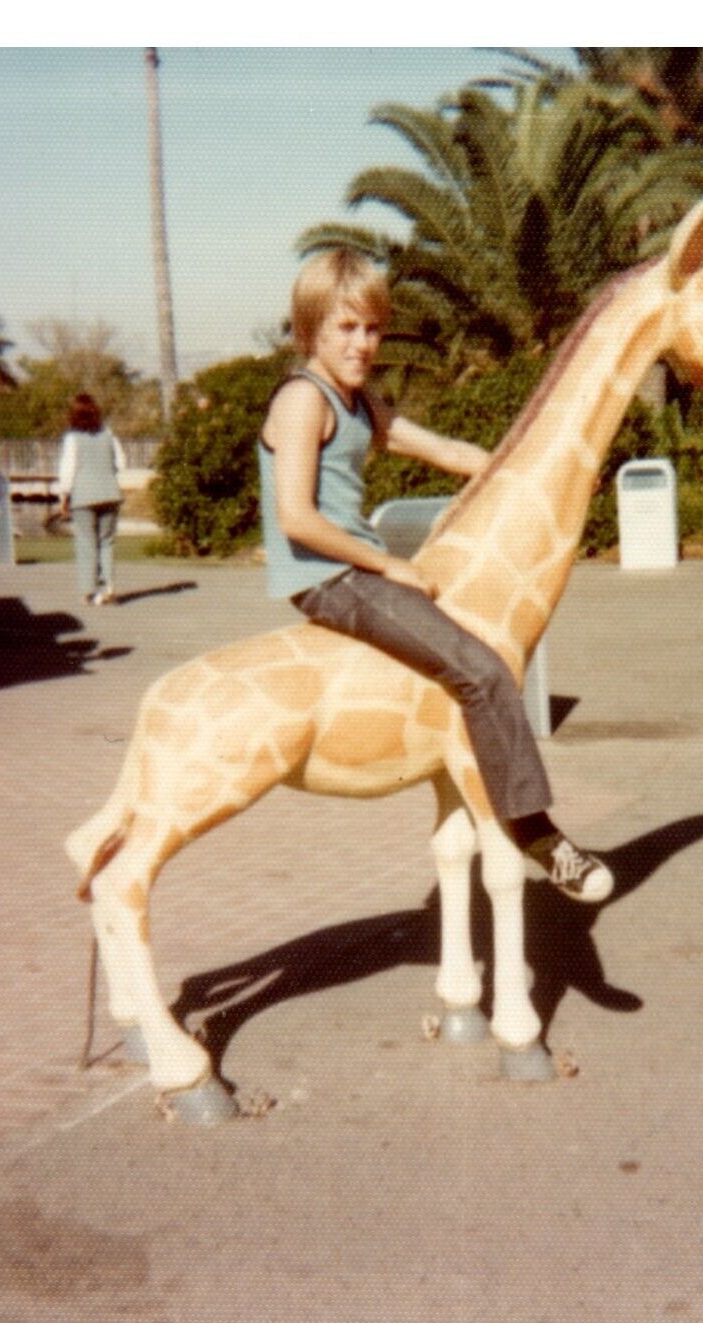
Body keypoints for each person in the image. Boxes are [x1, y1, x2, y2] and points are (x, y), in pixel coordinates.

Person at [258, 248, 613, 903]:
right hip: (330, 578)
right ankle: (536, 830)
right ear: (309, 329)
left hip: (357, 571)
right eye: (346, 329)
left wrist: (538, 471)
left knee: (472, 641)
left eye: (373, 329)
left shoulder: (359, 400)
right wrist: (389, 561)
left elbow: (445, 450)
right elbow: (297, 518)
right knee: (482, 668)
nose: (363, 344)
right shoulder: (302, 401)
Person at [57, 393, 127, 605]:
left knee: (86, 543)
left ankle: (89, 590)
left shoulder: (72, 438)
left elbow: (68, 469)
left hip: (83, 496)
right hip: (110, 493)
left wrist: (64, 495)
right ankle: (108, 587)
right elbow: (121, 463)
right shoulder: (109, 434)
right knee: (107, 541)